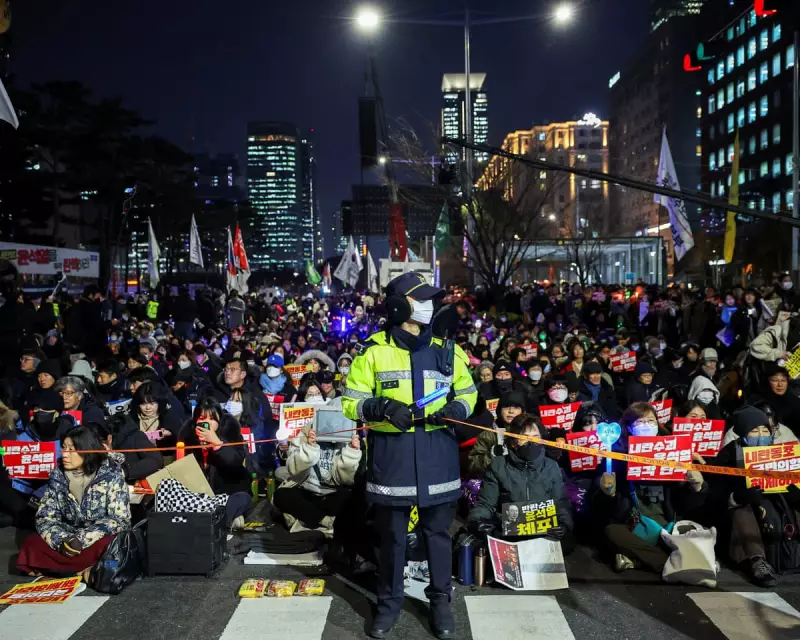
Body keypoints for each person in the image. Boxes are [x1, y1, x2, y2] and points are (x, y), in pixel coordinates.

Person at [342, 271, 477, 640]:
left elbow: (468, 391)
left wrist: (459, 412)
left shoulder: (449, 348)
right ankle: (388, 605)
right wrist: (381, 406)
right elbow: (350, 402)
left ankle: (441, 604)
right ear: (399, 306)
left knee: (437, 535)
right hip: (393, 458)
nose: (431, 306)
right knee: (393, 539)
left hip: (438, 456)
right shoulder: (372, 351)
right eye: (422, 299)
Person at [593, 403, 708, 574]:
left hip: (669, 526)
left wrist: (697, 487)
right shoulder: (615, 457)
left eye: (651, 421)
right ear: (629, 428)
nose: (647, 425)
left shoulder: (674, 453)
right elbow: (600, 508)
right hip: (634, 526)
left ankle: (638, 559)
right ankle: (668, 563)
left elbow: (686, 505)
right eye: (640, 422)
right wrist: (607, 494)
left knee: (699, 530)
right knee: (612, 532)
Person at [16, 426, 130, 580]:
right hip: (68, 536)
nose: (65, 454)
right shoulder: (58, 475)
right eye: (63, 448)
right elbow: (45, 517)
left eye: (71, 449)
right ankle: (84, 572)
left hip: (95, 538)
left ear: (86, 450)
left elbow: (120, 519)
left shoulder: (111, 474)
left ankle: (62, 571)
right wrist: (61, 540)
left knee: (110, 547)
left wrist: (83, 539)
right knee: (31, 543)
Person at [467, 414, 573, 550]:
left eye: (535, 436)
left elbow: (561, 502)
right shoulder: (498, 465)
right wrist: (477, 521)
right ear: (513, 442)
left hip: (544, 539)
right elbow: (486, 503)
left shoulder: (551, 466)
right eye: (524, 437)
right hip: (508, 538)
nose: (531, 441)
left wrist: (564, 525)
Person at [273, 422, 361, 534]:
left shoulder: (347, 435)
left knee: (352, 499)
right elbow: (292, 468)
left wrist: (351, 453)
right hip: (305, 491)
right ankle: (325, 521)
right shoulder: (306, 433)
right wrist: (309, 448)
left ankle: (308, 517)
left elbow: (346, 480)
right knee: (281, 495)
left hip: (331, 494)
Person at [178, 398, 251, 526]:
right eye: (202, 419)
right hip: (200, 496)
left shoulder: (229, 432)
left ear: (219, 421)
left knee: (242, 498)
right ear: (195, 421)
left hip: (227, 490)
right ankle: (218, 520)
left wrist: (217, 444)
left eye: (212, 419)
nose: (207, 423)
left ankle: (220, 520)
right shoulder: (188, 436)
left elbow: (236, 462)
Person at [468, 391, 525, 477]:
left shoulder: (529, 433)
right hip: (496, 480)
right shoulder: (487, 435)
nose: (511, 411)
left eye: (516, 407)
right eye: (506, 407)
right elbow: (473, 466)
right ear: (499, 410)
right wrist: (491, 454)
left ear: (522, 411)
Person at [92, 414, 164, 482]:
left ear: (109, 438)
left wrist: (125, 471)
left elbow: (156, 460)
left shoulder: (137, 437)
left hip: (138, 485)